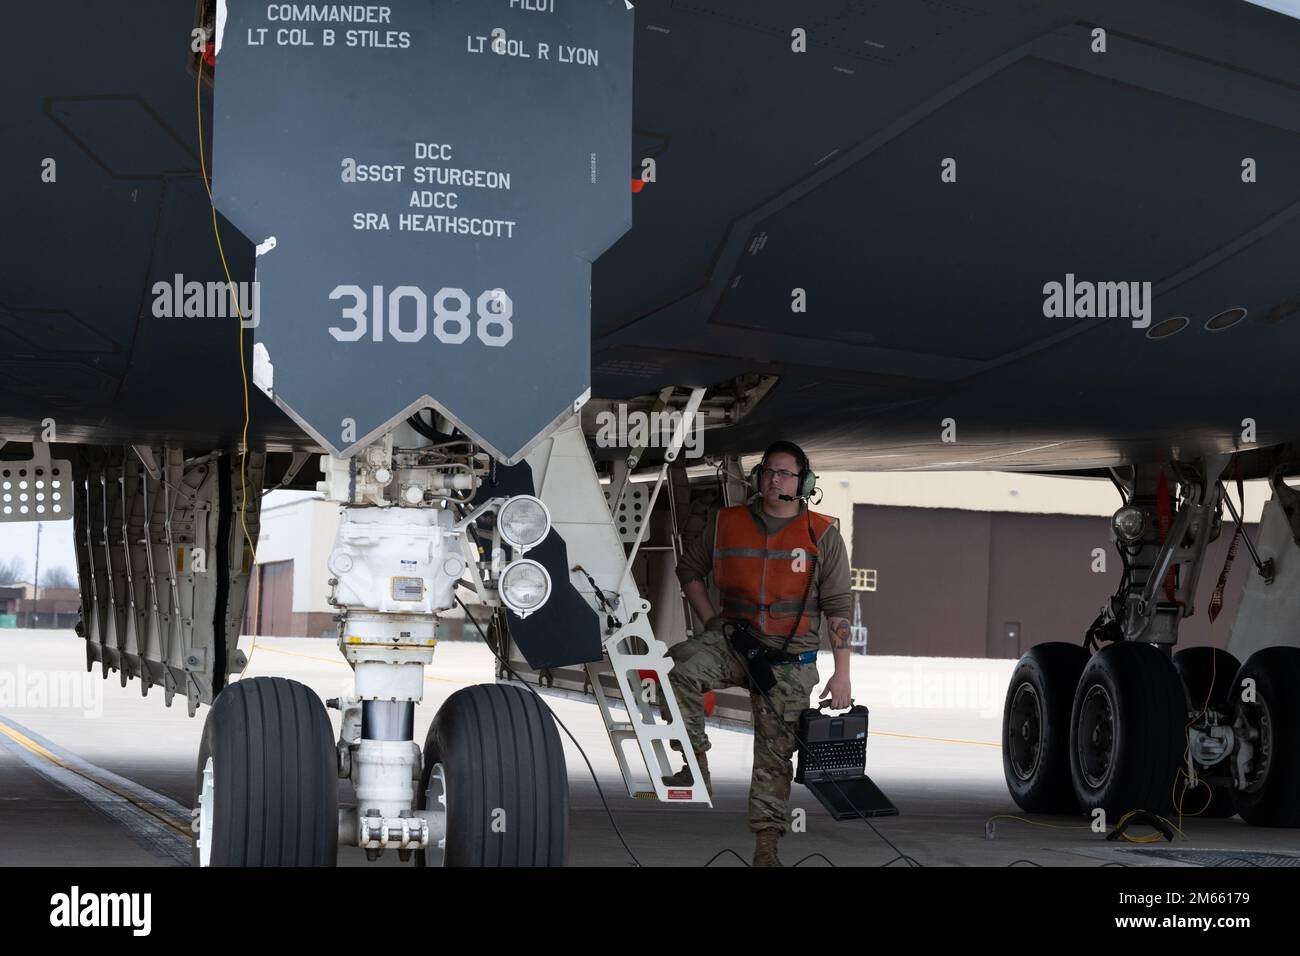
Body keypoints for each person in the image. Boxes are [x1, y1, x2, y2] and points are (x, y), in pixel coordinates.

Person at [662, 441, 854, 866]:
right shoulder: (725, 523)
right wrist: (712, 620)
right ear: (757, 477)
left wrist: (842, 674)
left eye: (785, 473)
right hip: (734, 642)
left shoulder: (822, 535)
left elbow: (839, 608)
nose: (775, 480)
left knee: (773, 758)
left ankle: (766, 851)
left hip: (788, 663)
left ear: (803, 482)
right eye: (768, 471)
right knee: (678, 670)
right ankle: (696, 764)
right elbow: (689, 570)